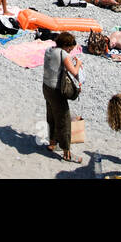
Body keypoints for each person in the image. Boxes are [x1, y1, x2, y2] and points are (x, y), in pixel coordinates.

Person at [42, 32, 82, 163]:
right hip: (56, 91)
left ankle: (52, 143)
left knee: (51, 116)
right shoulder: (62, 54)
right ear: (66, 46)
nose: (70, 51)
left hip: (46, 87)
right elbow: (74, 72)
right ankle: (66, 153)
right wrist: (78, 63)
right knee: (63, 120)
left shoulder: (49, 50)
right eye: (70, 49)